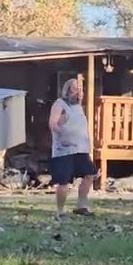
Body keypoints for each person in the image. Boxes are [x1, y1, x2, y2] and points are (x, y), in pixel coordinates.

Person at [48, 77, 97, 217]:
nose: (78, 92)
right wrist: (62, 134)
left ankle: (81, 206)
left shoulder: (79, 107)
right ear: (68, 90)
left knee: (90, 174)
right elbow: (53, 123)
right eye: (75, 88)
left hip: (80, 149)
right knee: (64, 182)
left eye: (80, 89)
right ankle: (60, 211)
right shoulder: (60, 104)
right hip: (64, 150)